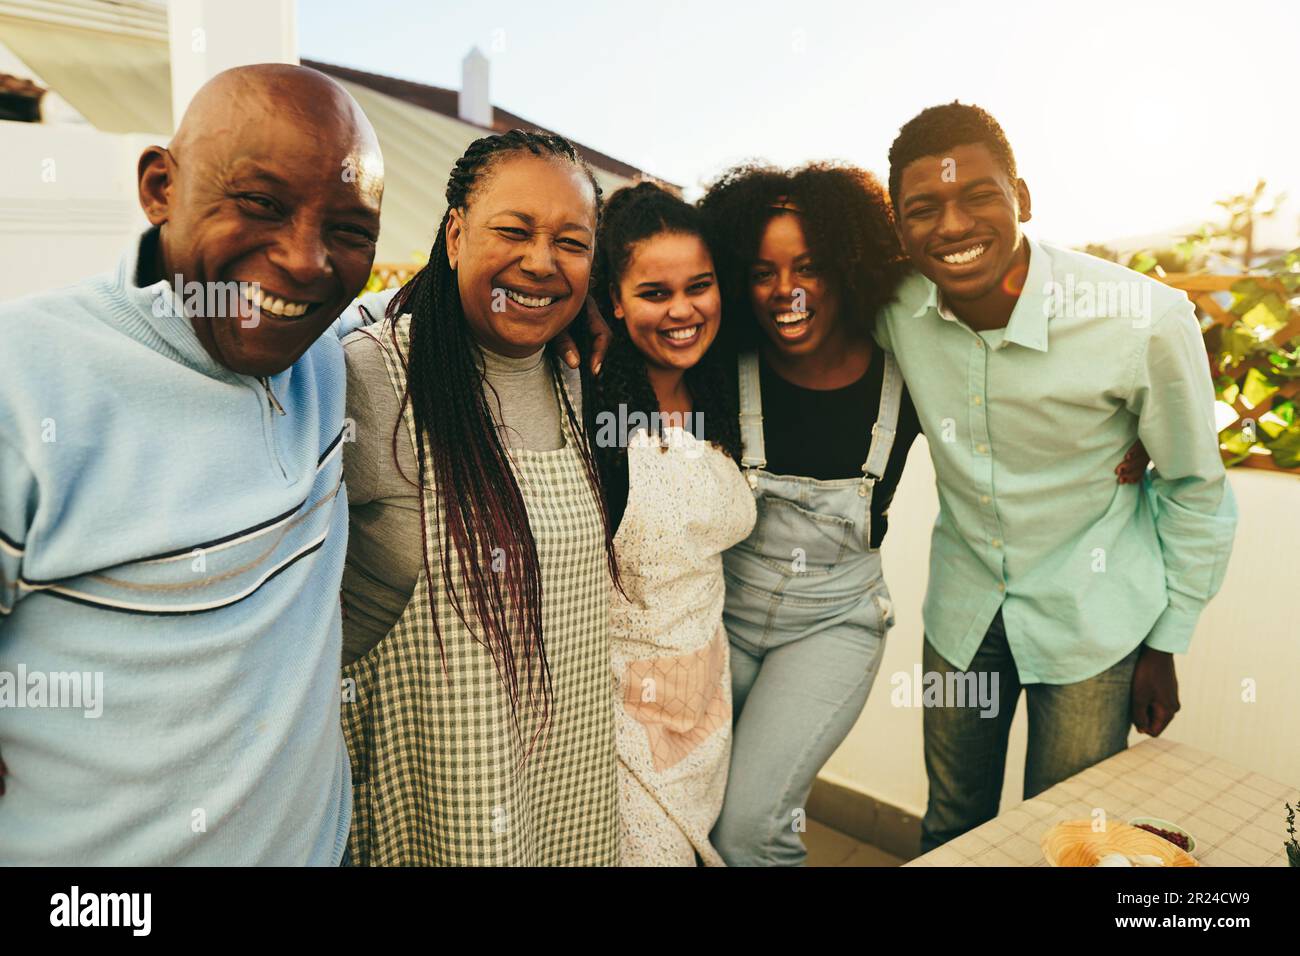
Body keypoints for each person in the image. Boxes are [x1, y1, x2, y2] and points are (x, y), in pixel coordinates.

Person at [0, 64, 384, 864]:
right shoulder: (25, 378)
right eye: (261, 204)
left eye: (348, 228)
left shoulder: (323, 357)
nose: (307, 260)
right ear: (159, 187)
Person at [880, 102, 1238, 851]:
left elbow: (1193, 484)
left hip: (1093, 620)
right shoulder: (892, 307)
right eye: (922, 209)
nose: (950, 226)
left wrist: (1166, 640)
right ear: (898, 227)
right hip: (963, 609)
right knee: (950, 825)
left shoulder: (1141, 320)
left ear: (1023, 198)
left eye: (978, 195)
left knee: (1068, 841)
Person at [338, 130, 620, 866]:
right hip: (437, 799)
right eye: (514, 230)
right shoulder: (371, 377)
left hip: (566, 790)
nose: (541, 261)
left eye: (571, 241)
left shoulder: (577, 378)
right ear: (455, 234)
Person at [697, 163, 921, 866]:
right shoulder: (716, 363)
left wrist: (1127, 438)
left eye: (810, 267)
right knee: (687, 814)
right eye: (762, 271)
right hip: (717, 618)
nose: (785, 291)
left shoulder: (907, 374)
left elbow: (1008, 391)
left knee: (750, 830)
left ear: (850, 266)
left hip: (833, 626)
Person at [590, 182, 755, 866]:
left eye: (701, 286)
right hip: (615, 716)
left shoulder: (726, 387)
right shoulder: (587, 400)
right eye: (655, 293)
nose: (684, 310)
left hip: (703, 703)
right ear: (615, 301)